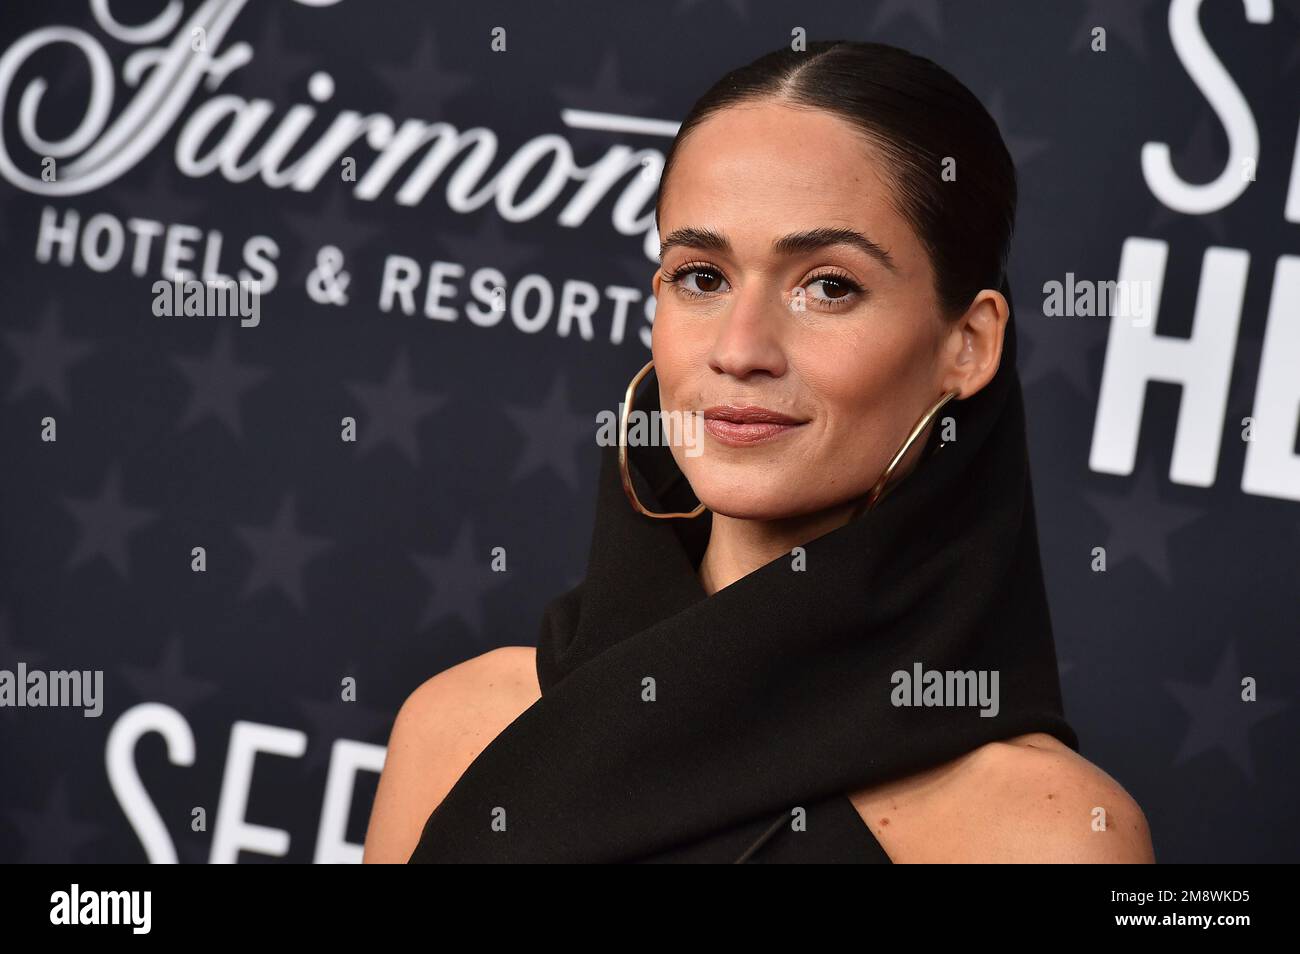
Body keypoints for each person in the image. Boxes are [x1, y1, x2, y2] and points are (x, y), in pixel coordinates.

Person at [364, 39, 1154, 863]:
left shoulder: (1045, 832)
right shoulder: (457, 726)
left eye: (828, 286)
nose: (741, 350)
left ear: (969, 344)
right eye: (701, 277)